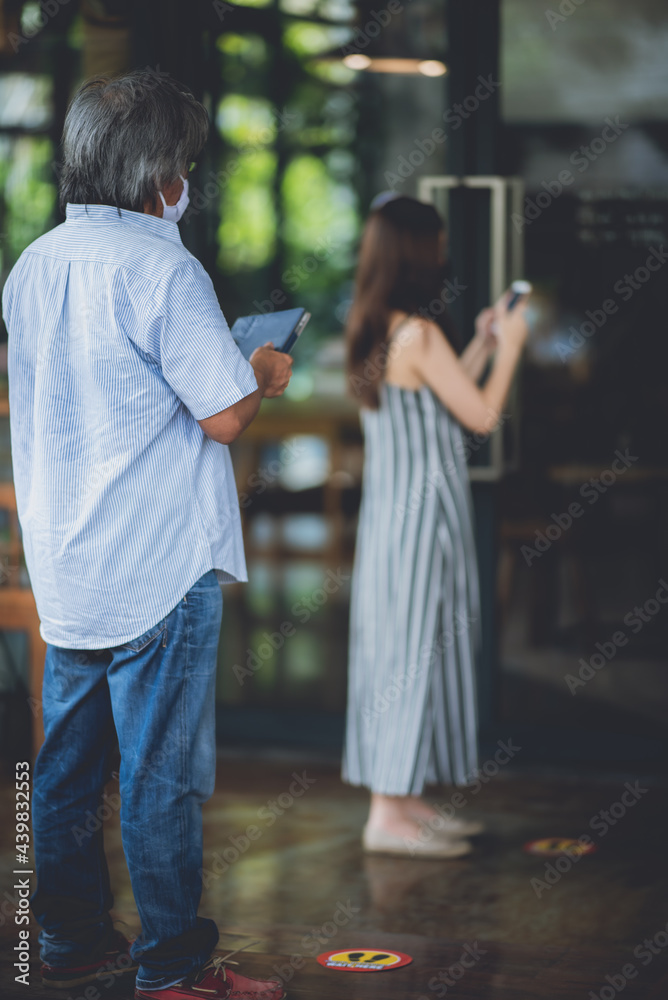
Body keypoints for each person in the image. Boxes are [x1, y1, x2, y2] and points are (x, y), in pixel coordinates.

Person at [2, 71, 292, 999]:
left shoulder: (33, 264)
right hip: (160, 566)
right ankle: (174, 970)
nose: (188, 181)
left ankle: (69, 941)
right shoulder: (165, 268)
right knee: (161, 781)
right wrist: (264, 371)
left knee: (67, 772)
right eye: (184, 164)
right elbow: (224, 419)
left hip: (71, 564)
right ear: (157, 168)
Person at [342, 195, 529, 858]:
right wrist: (511, 349)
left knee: (406, 653)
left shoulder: (377, 325)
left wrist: (481, 340)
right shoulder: (417, 333)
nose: (445, 253)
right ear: (417, 253)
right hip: (420, 526)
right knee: (411, 656)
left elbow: (443, 398)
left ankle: (405, 801)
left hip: (397, 525)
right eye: (438, 244)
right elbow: (478, 414)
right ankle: (386, 815)